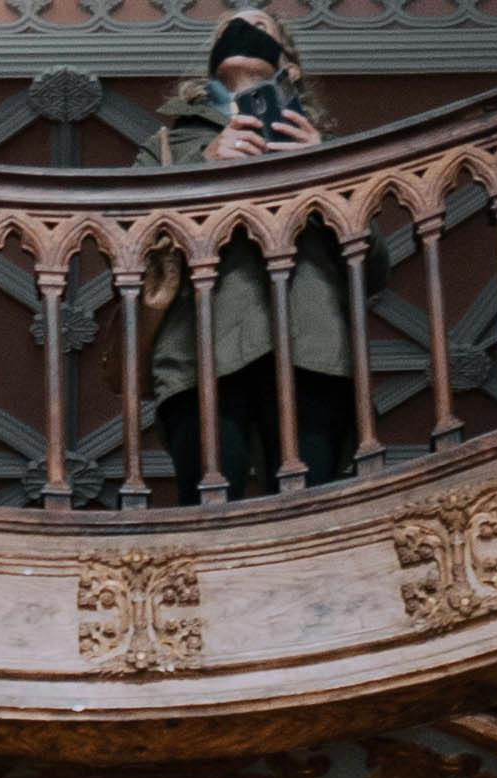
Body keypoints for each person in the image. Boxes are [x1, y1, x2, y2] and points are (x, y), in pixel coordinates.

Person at [146, 8, 357, 499]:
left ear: (291, 66)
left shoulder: (324, 148)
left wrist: (324, 168)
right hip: (198, 352)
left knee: (313, 515)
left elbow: (376, 265)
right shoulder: (168, 146)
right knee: (211, 518)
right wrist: (204, 162)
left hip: (311, 346)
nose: (243, 33)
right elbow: (130, 243)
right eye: (229, 31)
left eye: (260, 30)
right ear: (211, 67)